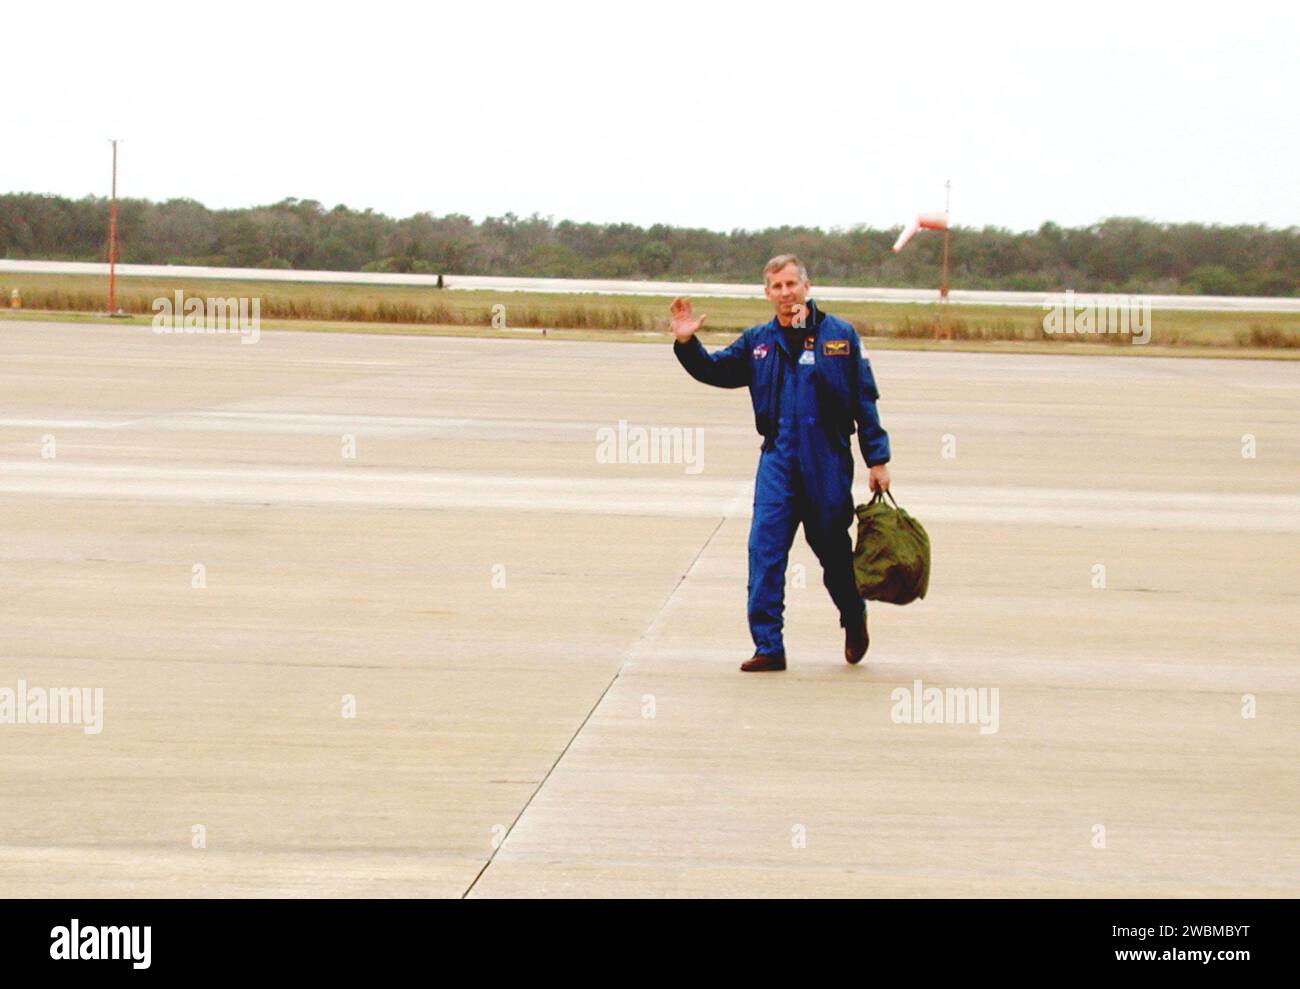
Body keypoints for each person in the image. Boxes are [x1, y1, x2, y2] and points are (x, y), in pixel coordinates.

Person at [670, 254, 891, 672]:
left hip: (826, 460)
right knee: (764, 549)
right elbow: (716, 370)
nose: (786, 293)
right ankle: (769, 645)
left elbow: (865, 400)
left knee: (833, 552)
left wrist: (877, 459)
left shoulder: (840, 337)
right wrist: (687, 344)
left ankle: (853, 614)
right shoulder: (758, 342)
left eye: (792, 284)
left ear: (806, 286)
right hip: (777, 460)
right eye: (777, 287)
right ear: (767, 293)